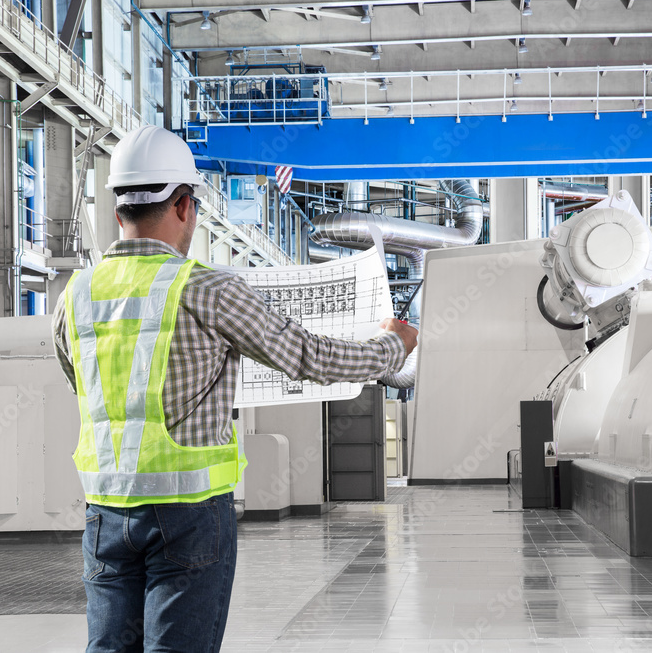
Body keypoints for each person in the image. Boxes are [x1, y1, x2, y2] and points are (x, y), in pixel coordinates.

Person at [51, 124, 417, 653]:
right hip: (188, 514)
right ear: (183, 205)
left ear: (118, 210)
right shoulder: (208, 289)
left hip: (105, 513)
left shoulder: (75, 295)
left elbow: (81, 385)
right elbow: (307, 356)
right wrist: (391, 348)